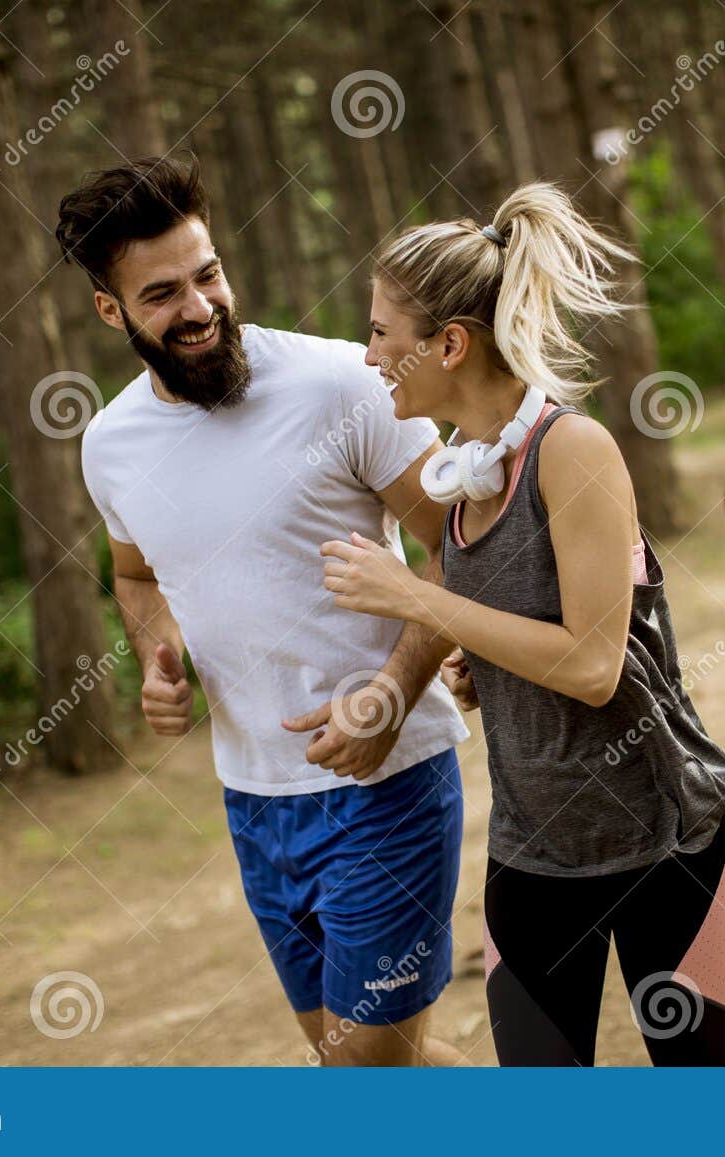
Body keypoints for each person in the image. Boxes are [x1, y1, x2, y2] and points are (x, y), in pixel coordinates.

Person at [318, 183, 725, 1066]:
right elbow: (536, 636)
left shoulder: (574, 452)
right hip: (532, 851)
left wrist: (420, 600)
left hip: (663, 838)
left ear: (448, 343)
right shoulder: (459, 480)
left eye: (379, 333)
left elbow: (595, 666)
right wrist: (485, 668)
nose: (367, 356)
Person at [58, 156, 472, 1063]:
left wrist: (396, 690)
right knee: (357, 1064)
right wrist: (155, 655)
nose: (201, 307)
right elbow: (134, 576)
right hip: (254, 801)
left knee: (365, 1069)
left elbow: (459, 545)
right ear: (110, 310)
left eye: (207, 274)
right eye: (161, 293)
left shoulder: (345, 386)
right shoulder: (111, 444)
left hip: (388, 781)